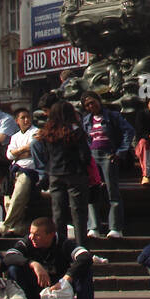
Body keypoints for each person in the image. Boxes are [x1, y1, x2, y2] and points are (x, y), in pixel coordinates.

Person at [5, 218, 98, 299]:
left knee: (85, 270)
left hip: (60, 287)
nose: (32, 237)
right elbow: (9, 256)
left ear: (51, 235)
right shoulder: (27, 242)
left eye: (37, 235)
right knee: (14, 269)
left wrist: (66, 279)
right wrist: (33, 264)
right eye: (31, 233)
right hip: (36, 287)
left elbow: (85, 256)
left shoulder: (64, 243)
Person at [32, 98, 93, 246]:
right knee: (78, 213)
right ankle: (81, 248)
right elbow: (85, 156)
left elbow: (45, 154)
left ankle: (61, 247)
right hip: (75, 174)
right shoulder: (75, 130)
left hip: (55, 174)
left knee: (58, 214)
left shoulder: (48, 132)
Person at [80, 91, 134, 238]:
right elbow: (84, 138)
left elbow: (129, 130)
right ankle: (94, 227)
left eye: (93, 102)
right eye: (87, 105)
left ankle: (115, 227)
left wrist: (120, 152)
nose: (91, 106)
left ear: (99, 100)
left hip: (108, 155)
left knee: (112, 191)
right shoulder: (86, 120)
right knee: (92, 192)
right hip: (92, 157)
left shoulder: (112, 116)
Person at [1, 108, 40, 236]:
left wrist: (18, 152)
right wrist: (21, 152)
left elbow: (31, 150)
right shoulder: (15, 137)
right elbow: (9, 155)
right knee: (7, 196)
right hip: (14, 169)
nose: (26, 120)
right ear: (17, 120)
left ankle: (5, 226)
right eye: (22, 118)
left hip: (29, 170)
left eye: (28, 117)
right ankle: (16, 228)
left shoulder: (36, 132)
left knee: (18, 195)